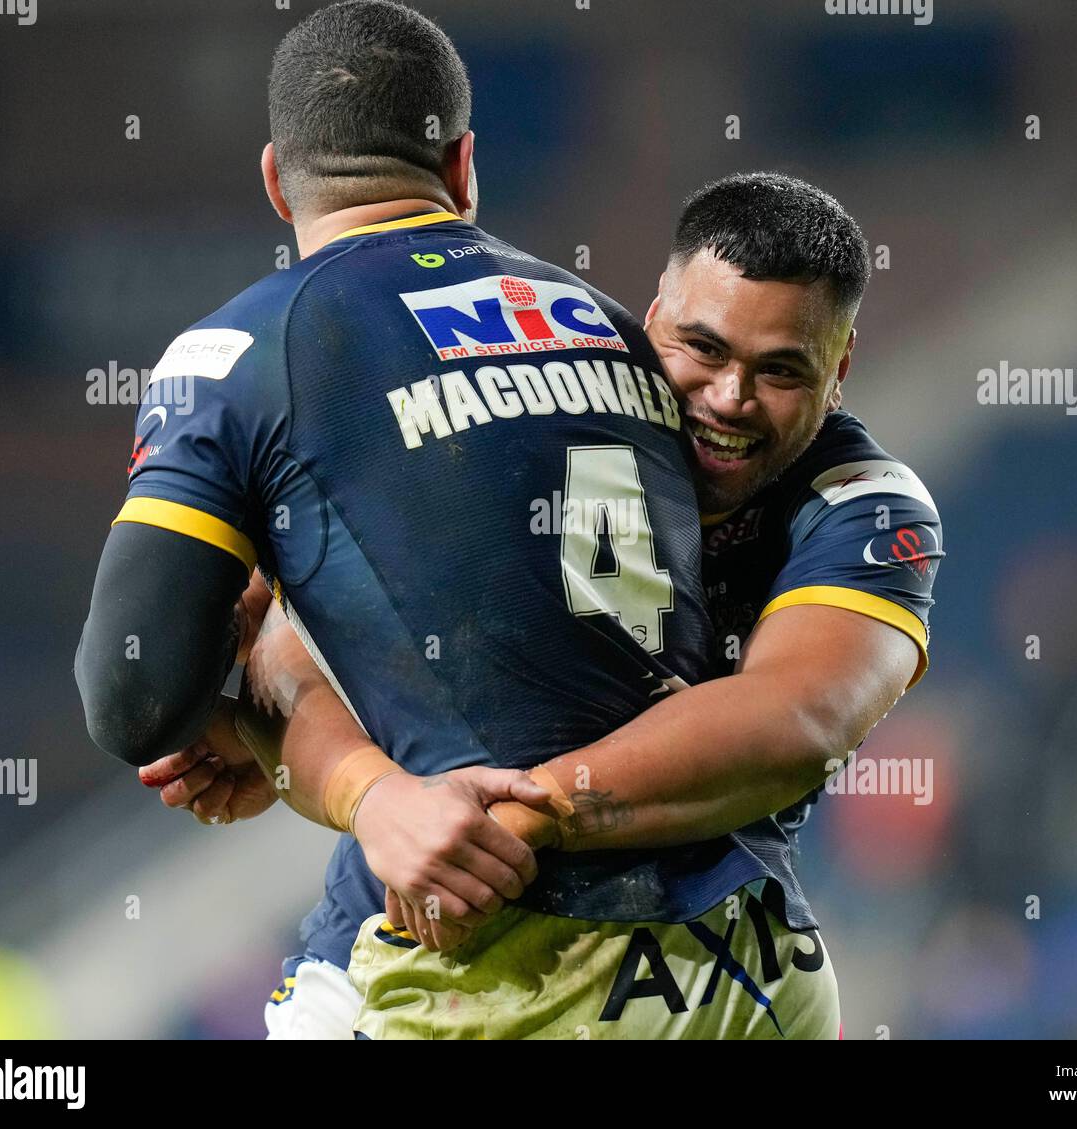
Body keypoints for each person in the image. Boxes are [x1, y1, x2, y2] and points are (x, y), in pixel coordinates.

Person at [74, 1, 859, 1040]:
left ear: (277, 178)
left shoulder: (239, 355)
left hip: (499, 958)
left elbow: (134, 697)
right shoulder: (621, 333)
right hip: (742, 958)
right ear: (462, 165)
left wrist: (284, 715)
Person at [148, 170, 944, 1039]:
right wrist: (349, 783)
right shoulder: (523, 405)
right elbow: (285, 629)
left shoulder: (863, 505)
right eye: (703, 349)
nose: (728, 399)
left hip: (688, 963)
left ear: (841, 369)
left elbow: (799, 717)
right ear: (652, 318)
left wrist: (508, 820)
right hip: (400, 944)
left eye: (781, 370)